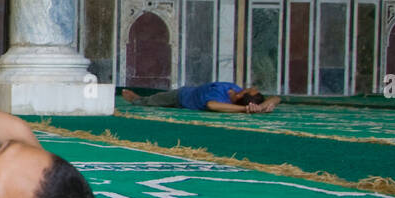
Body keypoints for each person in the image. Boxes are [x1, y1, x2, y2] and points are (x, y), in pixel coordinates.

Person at [120, 82, 281, 114]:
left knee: (152, 102)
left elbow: (212, 105)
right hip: (188, 92)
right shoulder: (236, 91)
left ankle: (136, 99)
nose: (254, 88)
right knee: (156, 98)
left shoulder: (219, 98)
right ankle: (139, 98)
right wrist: (261, 107)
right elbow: (276, 98)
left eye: (252, 90)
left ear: (242, 96)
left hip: (181, 97)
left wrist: (246, 109)